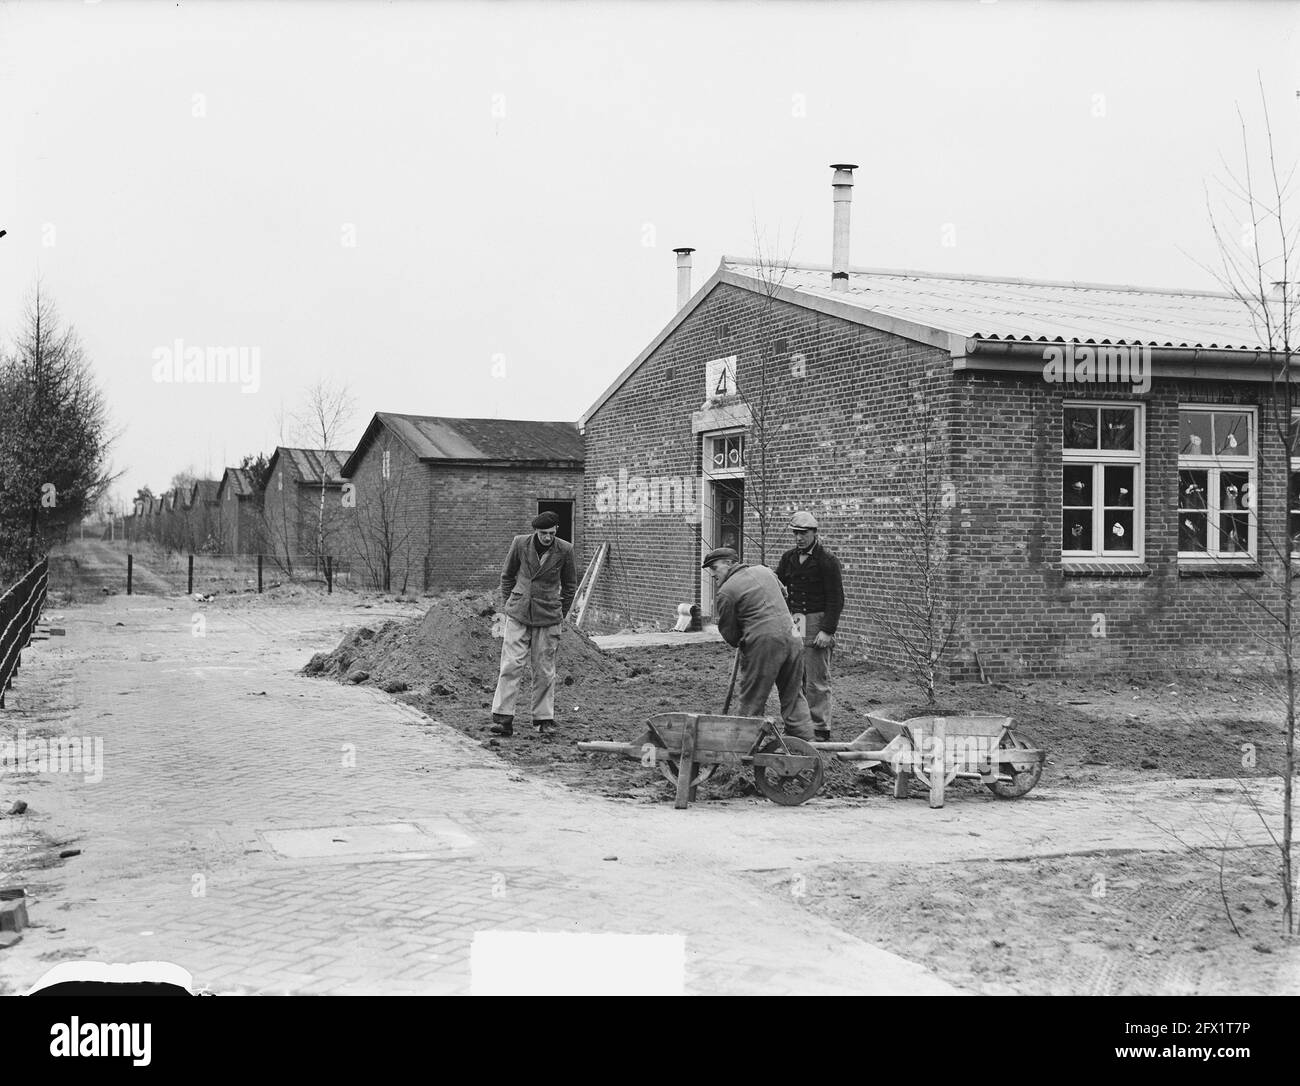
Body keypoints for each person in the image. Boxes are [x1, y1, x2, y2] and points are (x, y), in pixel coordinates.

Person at [704, 546, 814, 741]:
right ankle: (804, 744)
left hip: (764, 644)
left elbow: (730, 634)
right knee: (793, 694)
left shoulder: (726, 592)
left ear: (729, 564)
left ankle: (744, 747)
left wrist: (745, 636)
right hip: (793, 636)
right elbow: (784, 594)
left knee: (752, 697)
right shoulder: (764, 570)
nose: (712, 574)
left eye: (714, 568)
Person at [489, 511, 577, 738]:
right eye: (543, 533)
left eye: (551, 533)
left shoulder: (565, 550)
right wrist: (511, 604)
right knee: (510, 665)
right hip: (519, 613)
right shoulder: (520, 543)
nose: (547, 537)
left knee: (545, 669)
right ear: (535, 531)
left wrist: (560, 612)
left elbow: (569, 586)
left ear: (556, 530)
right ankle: (503, 717)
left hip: (548, 616)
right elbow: (507, 576)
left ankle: (544, 719)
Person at [775, 511, 845, 743]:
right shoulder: (788, 559)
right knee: (796, 675)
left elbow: (836, 598)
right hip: (796, 621)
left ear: (814, 533)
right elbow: (778, 584)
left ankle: (819, 728)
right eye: (795, 533)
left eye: (803, 533)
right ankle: (799, 725)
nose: (799, 538)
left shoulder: (827, 561)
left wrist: (828, 630)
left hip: (817, 621)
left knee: (817, 678)